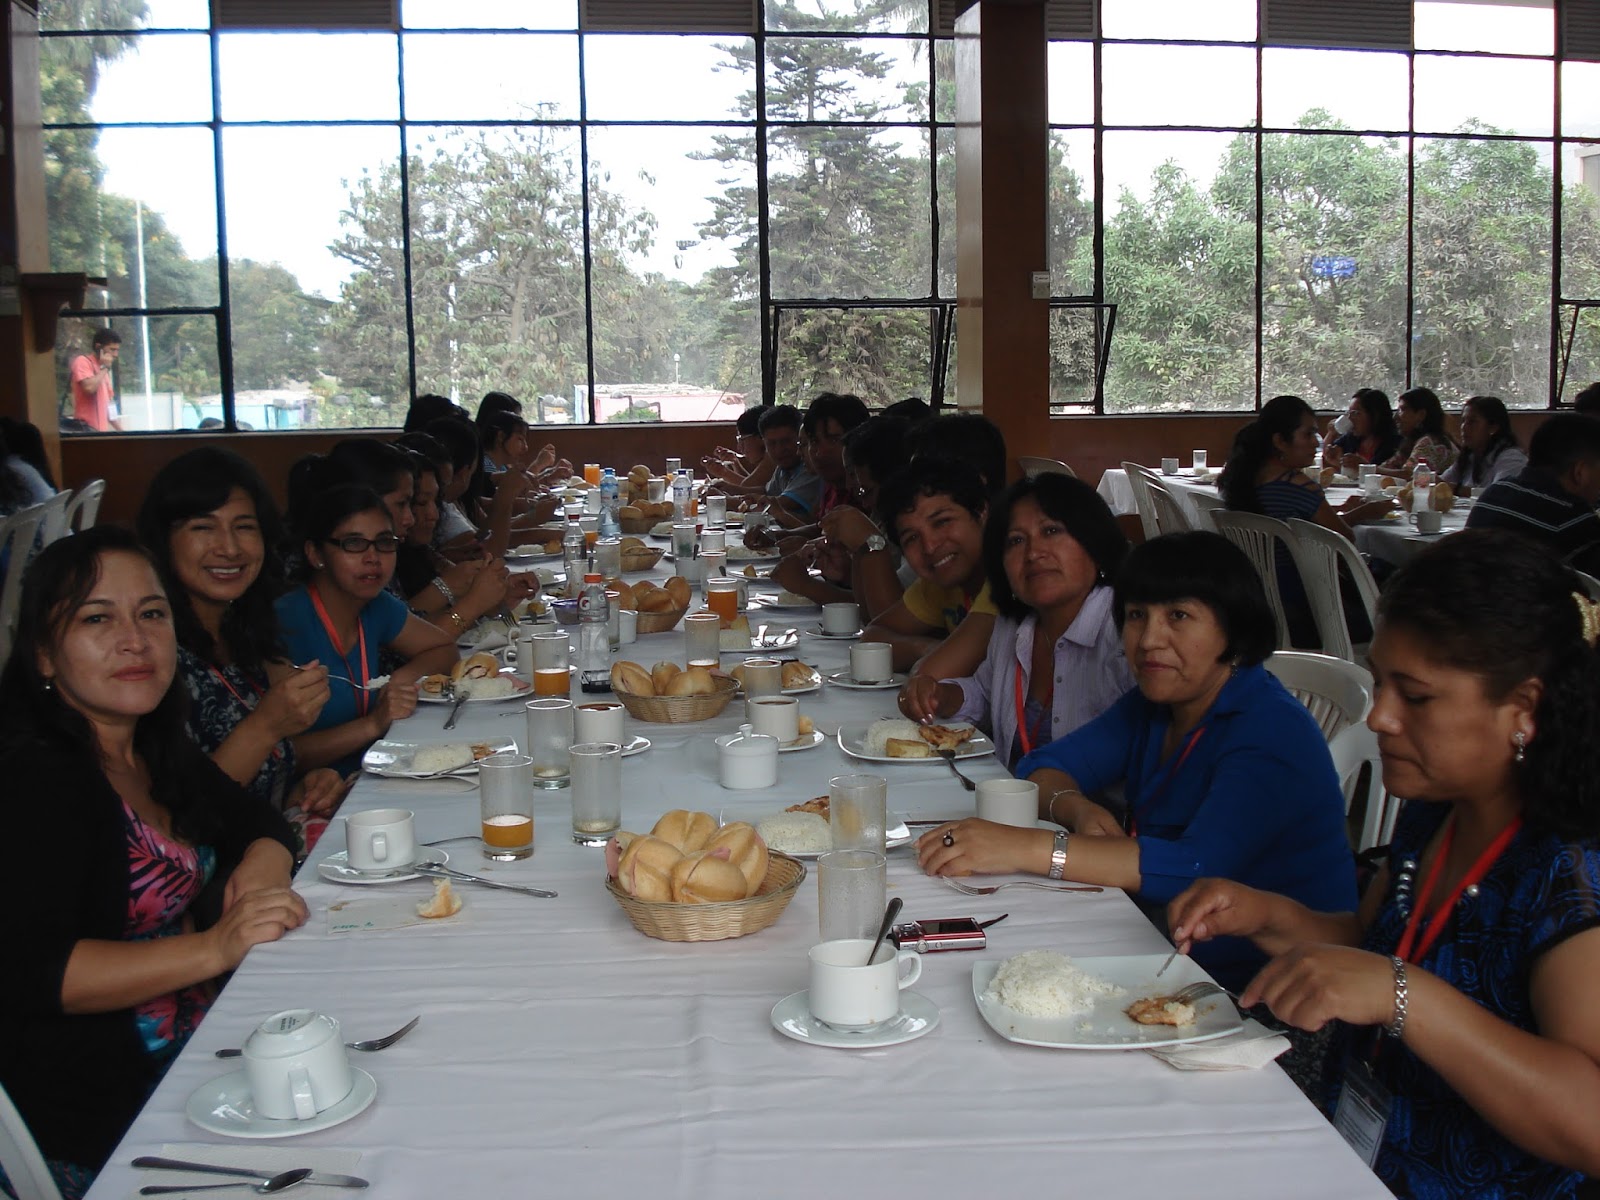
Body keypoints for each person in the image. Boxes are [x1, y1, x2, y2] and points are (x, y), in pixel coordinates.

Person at [1168, 531, 1600, 1199]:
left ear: (1525, 709)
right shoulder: (1438, 810)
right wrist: (1267, 914)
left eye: (1417, 697)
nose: (1382, 719)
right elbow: (1374, 947)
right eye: (1379, 685)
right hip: (1354, 1160)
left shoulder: (1572, 873)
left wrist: (1405, 996)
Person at [0, 527, 305, 1197]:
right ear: (45, 655)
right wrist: (215, 947)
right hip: (115, 1125)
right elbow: (40, 973)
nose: (134, 639)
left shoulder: (147, 747)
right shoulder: (37, 779)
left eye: (152, 614)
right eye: (96, 618)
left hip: (204, 1057)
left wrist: (262, 860)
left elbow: (254, 818)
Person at [917, 531, 1356, 994]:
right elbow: (1043, 765)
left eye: (1179, 616)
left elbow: (1193, 866)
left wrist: (1027, 848)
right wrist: (1075, 807)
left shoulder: (1270, 728)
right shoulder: (1157, 703)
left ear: (1234, 628)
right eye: (1136, 616)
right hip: (1162, 942)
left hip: (1264, 990)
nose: (1149, 640)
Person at [136, 448, 347, 851]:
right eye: (203, 528)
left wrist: (304, 785)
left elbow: (253, 786)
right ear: (164, 539)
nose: (229, 548)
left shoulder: (244, 635)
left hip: (269, 848)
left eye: (244, 527)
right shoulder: (152, 654)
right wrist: (268, 724)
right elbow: (180, 817)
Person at [897, 473, 1133, 769]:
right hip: (1016, 807)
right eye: (1016, 540)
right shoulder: (1015, 625)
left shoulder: (1127, 629)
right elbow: (987, 694)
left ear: (1094, 540)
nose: (1033, 553)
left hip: (1095, 812)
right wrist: (940, 695)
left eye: (1051, 531)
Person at [275, 484, 459, 775]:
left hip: (372, 771)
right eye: (353, 543)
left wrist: (398, 684)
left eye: (385, 542)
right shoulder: (286, 622)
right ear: (315, 554)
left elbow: (443, 649)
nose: (373, 557)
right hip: (313, 793)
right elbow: (279, 754)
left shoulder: (375, 604)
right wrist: (373, 723)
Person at [1217, 394, 1389, 647]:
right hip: (1313, 615)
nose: (1315, 444)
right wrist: (1362, 513)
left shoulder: (1243, 481)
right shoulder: (1299, 487)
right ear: (1280, 441)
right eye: (1307, 435)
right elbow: (1344, 538)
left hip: (1258, 610)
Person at [863, 455, 999, 674]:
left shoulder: (1006, 575)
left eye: (942, 522)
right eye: (912, 538)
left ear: (981, 512)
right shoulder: (943, 580)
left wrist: (936, 656)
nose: (929, 547)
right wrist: (925, 648)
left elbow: (933, 674)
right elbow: (872, 639)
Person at [1466, 412, 1600, 575]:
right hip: (1526, 599)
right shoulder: (1576, 522)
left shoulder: (1493, 493)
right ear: (1580, 472)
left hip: (1467, 596)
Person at [1441, 395, 1526, 495]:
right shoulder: (1470, 456)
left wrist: (1456, 489)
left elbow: (1499, 494)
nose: (1464, 427)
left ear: (1493, 428)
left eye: (1472, 422)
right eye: (1463, 421)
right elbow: (1442, 482)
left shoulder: (1511, 457)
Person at [1377, 386, 1458, 478]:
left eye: (1402, 410)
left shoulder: (1430, 442)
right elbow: (1388, 466)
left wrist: (1370, 468)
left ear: (1421, 415)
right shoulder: (1410, 442)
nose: (1396, 417)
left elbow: (1410, 476)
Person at [1322, 387, 1401, 472]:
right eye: (1349, 413)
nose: (1350, 418)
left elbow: (1381, 474)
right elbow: (1330, 456)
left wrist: (1363, 465)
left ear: (1375, 415)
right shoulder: (1351, 438)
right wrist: (1331, 434)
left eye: (1356, 413)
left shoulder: (1394, 443)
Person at [69, 327, 123, 432]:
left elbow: (109, 408)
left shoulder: (103, 372)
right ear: (98, 347)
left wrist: (123, 433)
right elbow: (89, 388)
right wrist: (104, 369)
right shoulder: (83, 362)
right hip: (85, 430)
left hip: (100, 432)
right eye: (112, 349)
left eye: (117, 350)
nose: (115, 355)